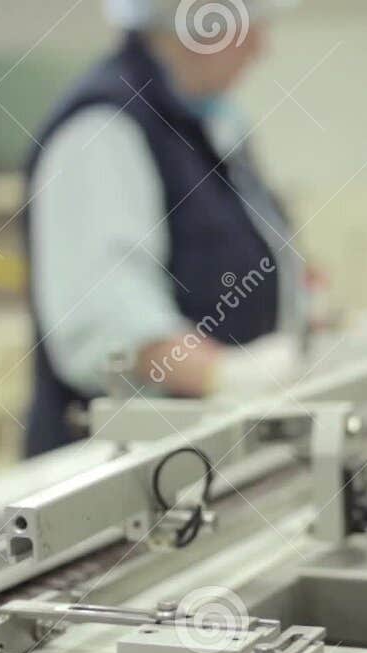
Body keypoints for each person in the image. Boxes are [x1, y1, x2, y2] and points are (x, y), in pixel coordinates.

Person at [23, 0, 306, 457]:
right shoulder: (101, 130)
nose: (261, 47)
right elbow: (106, 319)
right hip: (121, 467)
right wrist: (224, 374)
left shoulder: (205, 122)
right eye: (249, 26)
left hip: (203, 456)